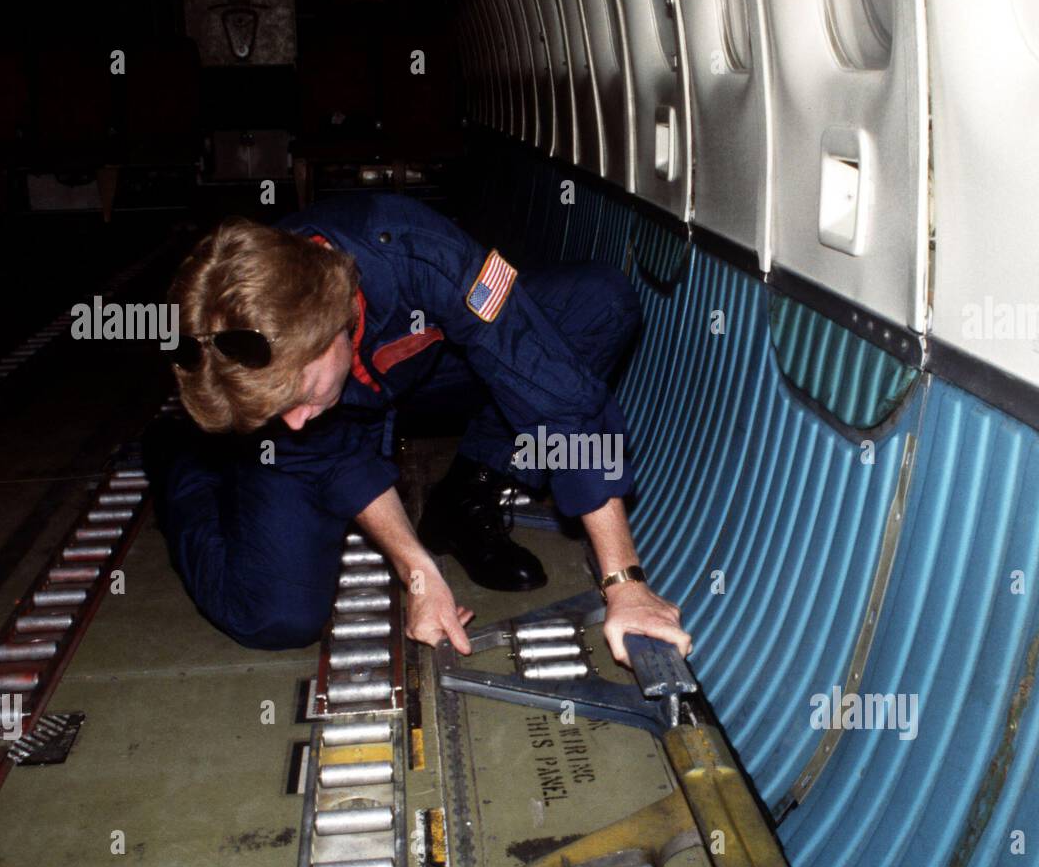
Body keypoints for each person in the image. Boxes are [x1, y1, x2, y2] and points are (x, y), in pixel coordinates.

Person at [146, 192, 691, 667]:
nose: (293, 421)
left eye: (301, 393)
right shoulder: (284, 399)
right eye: (278, 410)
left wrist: (626, 583)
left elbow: (556, 391)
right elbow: (330, 452)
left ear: (332, 322)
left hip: (421, 375)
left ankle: (469, 494)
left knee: (597, 303)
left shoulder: (414, 249)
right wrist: (419, 573)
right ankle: (182, 463)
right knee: (274, 617)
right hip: (350, 409)